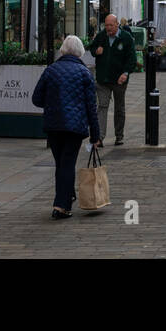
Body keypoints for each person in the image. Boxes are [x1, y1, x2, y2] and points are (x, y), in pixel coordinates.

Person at [31, 36, 102, 219]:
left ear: (62, 50)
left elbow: (36, 99)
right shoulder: (84, 73)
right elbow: (91, 108)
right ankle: (61, 206)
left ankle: (66, 196)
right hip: (74, 127)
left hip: (53, 126)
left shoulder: (51, 70)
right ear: (79, 52)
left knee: (61, 164)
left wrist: (53, 104)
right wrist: (96, 135)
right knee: (67, 164)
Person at [87, 14, 136, 146]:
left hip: (119, 80)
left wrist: (125, 73)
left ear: (117, 25)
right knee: (102, 107)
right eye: (106, 25)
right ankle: (99, 137)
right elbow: (92, 47)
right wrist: (96, 51)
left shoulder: (126, 38)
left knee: (119, 108)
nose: (108, 28)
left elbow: (132, 59)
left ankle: (119, 136)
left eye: (110, 25)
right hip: (103, 79)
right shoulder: (102, 36)